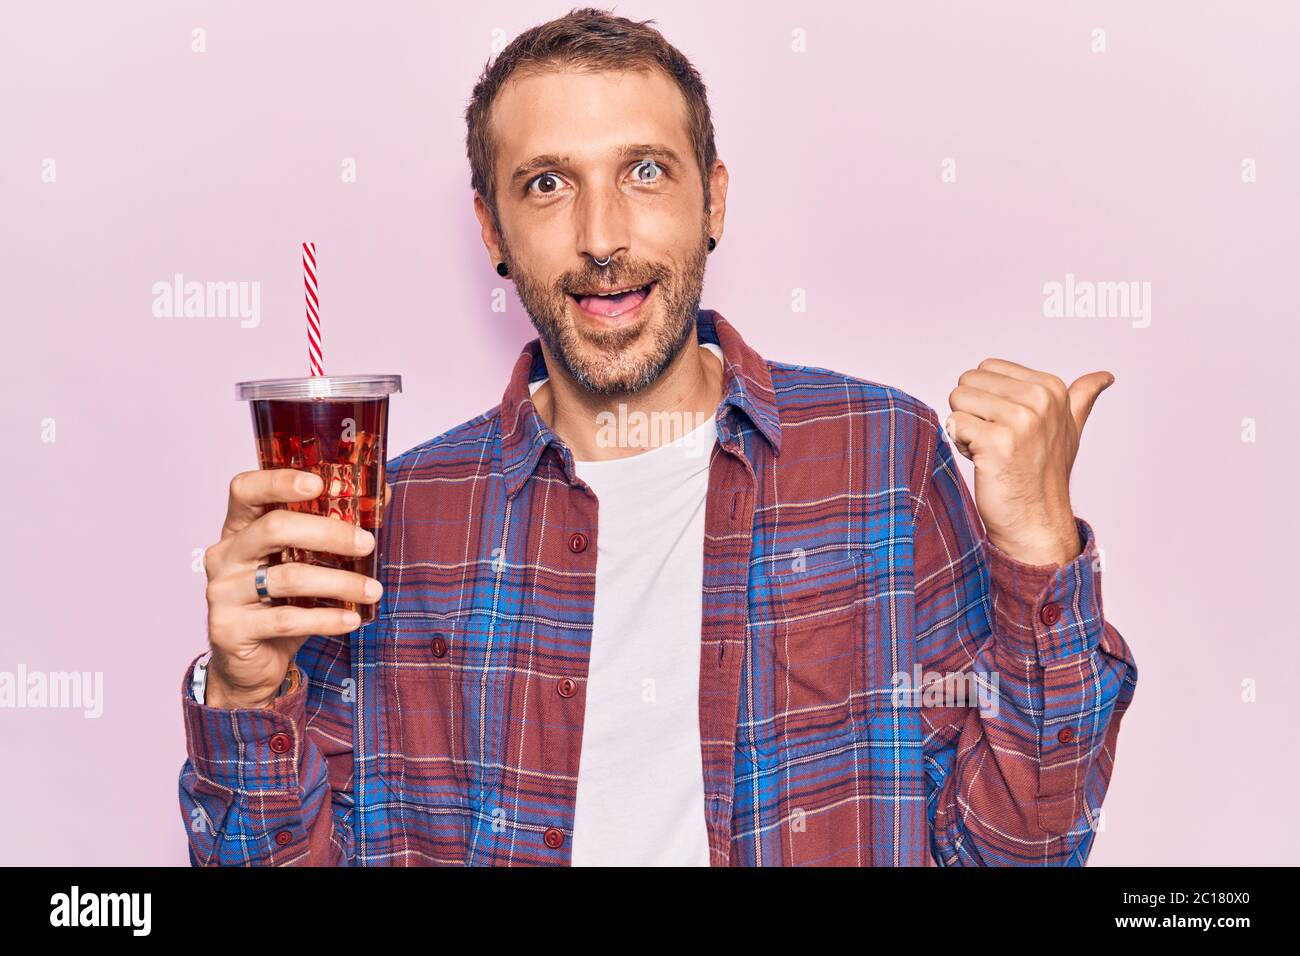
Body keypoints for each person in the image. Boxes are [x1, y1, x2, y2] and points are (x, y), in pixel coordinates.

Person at [180, 7, 1137, 866]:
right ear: (492, 230)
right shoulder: (391, 521)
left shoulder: (883, 455)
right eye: (548, 182)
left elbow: (1018, 853)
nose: (602, 235)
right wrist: (245, 690)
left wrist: (1039, 551)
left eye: (645, 171)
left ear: (712, 200)